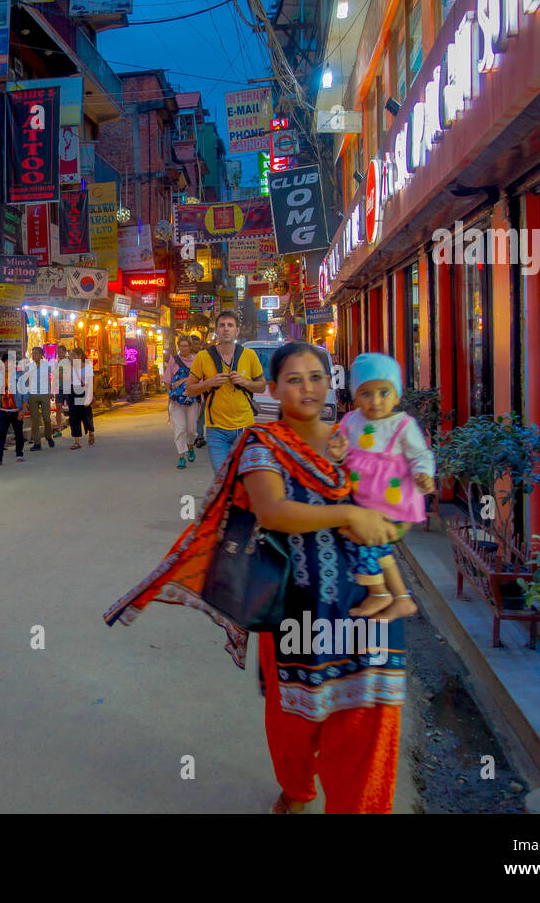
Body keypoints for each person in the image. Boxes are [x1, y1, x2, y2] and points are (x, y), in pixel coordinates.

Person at [105, 343, 403, 813]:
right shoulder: (262, 444)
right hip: (295, 606)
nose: (306, 387)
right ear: (273, 387)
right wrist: (347, 511)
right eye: (294, 379)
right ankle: (298, 787)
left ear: (331, 383)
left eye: (316, 377)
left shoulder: (358, 438)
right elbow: (273, 511)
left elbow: (398, 498)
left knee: (367, 723)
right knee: (294, 723)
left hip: (364, 601)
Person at [327, 353, 436, 622]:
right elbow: (343, 453)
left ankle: (379, 592)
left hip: (393, 502)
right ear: (355, 395)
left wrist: (423, 474)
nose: (375, 401)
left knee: (361, 539)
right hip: (364, 501)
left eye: (383, 392)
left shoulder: (402, 425)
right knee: (378, 548)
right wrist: (338, 453)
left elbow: (421, 455)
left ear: (397, 396)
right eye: (366, 393)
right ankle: (401, 598)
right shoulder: (352, 420)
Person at [184, 312, 266, 471]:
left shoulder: (249, 355)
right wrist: (208, 383)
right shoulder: (203, 357)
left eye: (230, 325)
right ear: (216, 331)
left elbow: (261, 385)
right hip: (217, 431)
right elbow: (189, 390)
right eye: (222, 325)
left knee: (245, 477)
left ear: (237, 330)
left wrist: (245, 382)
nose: (226, 329)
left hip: (245, 427)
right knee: (222, 479)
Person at [165, 336, 200, 469]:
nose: (184, 348)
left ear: (190, 346)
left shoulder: (197, 360)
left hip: (192, 399)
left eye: (186, 346)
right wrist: (168, 397)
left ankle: (190, 446)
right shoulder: (174, 360)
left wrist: (184, 380)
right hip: (176, 401)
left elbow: (200, 378)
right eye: (181, 346)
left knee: (191, 430)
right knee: (180, 429)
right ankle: (181, 456)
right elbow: (168, 381)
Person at [0, 352, 25, 465]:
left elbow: (26, 396)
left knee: (18, 433)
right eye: (4, 362)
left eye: (9, 362)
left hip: (16, 410)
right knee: (0, 433)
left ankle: (19, 453)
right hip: (3, 410)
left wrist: (22, 410)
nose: (6, 365)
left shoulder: (19, 377)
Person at [25, 346, 55, 451]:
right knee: (35, 420)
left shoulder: (47, 365)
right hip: (32, 394)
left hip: (45, 393)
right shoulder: (29, 366)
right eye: (32, 353)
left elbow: (54, 376)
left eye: (36, 353)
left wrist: (52, 391)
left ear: (41, 354)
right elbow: (27, 380)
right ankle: (37, 443)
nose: (34, 355)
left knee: (47, 418)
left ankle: (48, 436)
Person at [68, 347, 95, 449]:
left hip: (83, 392)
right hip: (72, 392)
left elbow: (90, 383)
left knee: (86, 415)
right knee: (73, 416)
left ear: (80, 356)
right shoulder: (70, 367)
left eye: (74, 355)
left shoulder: (87, 367)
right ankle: (76, 441)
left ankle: (91, 432)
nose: (72, 357)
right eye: (71, 355)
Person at [190, 335, 207, 448]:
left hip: (203, 390)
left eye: (198, 344)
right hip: (190, 390)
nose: (197, 346)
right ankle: (192, 436)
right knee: (192, 416)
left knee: (201, 415)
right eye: (195, 344)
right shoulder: (185, 357)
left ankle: (199, 436)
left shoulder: (203, 356)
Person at [53, 343, 70, 438]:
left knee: (71, 408)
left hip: (67, 388)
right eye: (58, 352)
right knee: (58, 407)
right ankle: (59, 429)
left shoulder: (68, 363)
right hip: (59, 388)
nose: (59, 354)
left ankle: (75, 426)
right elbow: (55, 377)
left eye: (61, 352)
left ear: (65, 353)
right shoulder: (57, 363)